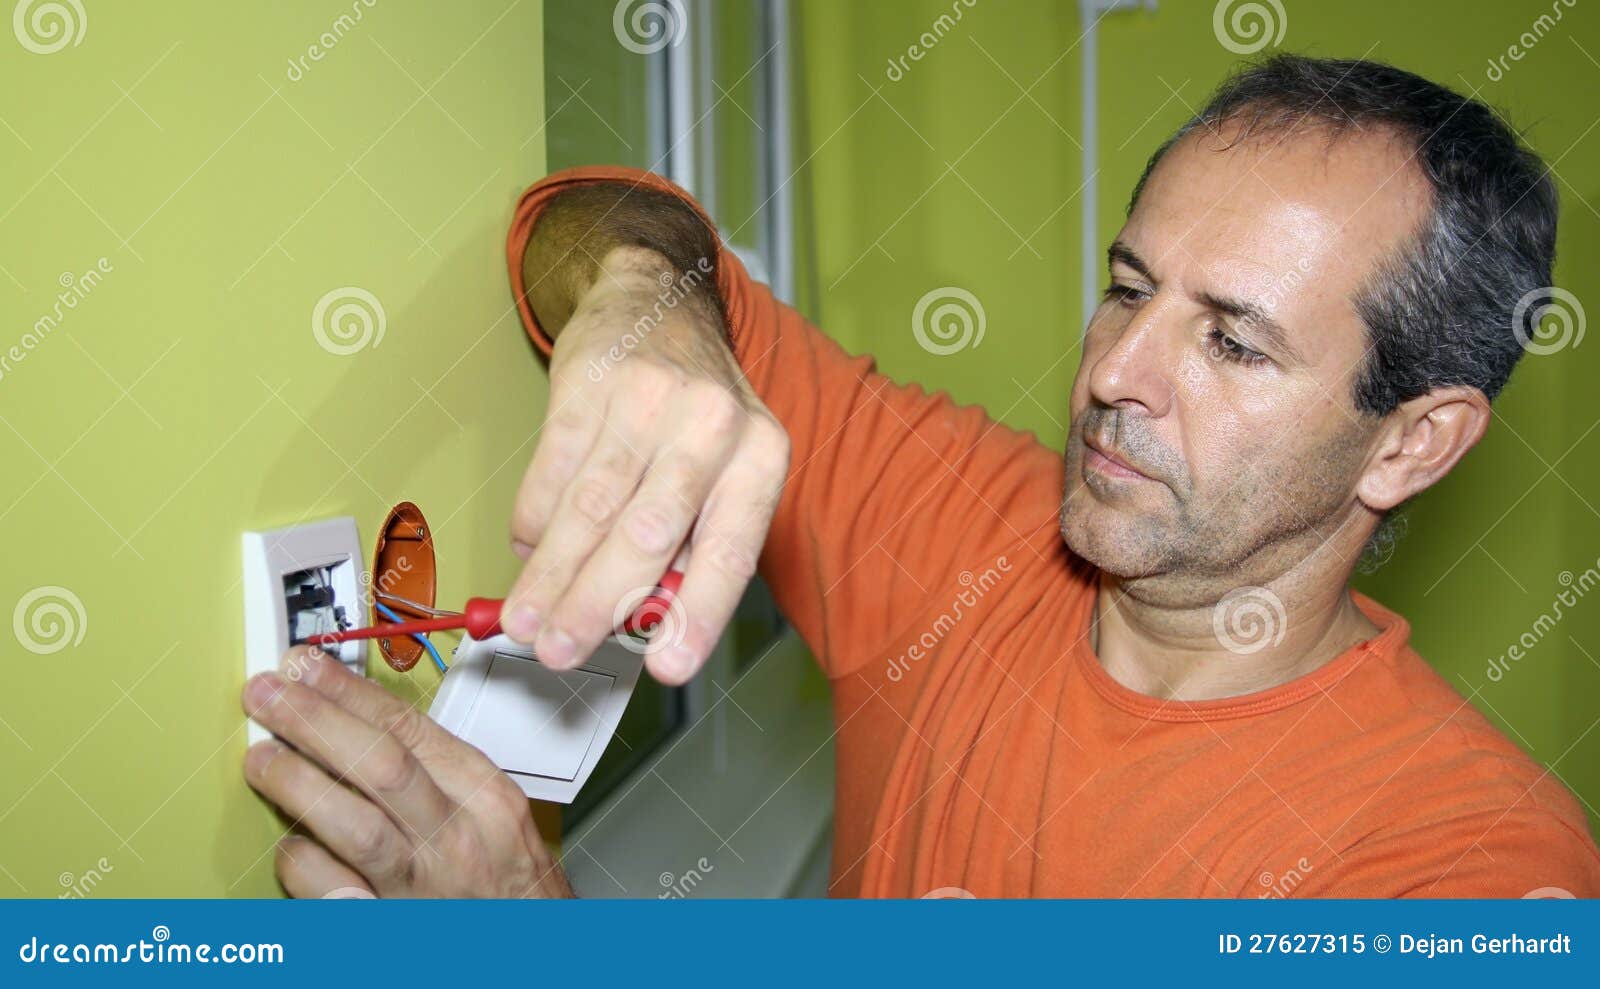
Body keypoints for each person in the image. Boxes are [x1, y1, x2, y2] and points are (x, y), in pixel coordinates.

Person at [240, 54, 1600, 898]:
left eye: (1231, 340)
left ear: (1413, 440)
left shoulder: (1468, 869)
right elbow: (595, 219)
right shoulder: (969, 525)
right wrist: (658, 312)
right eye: (1127, 290)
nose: (1119, 371)